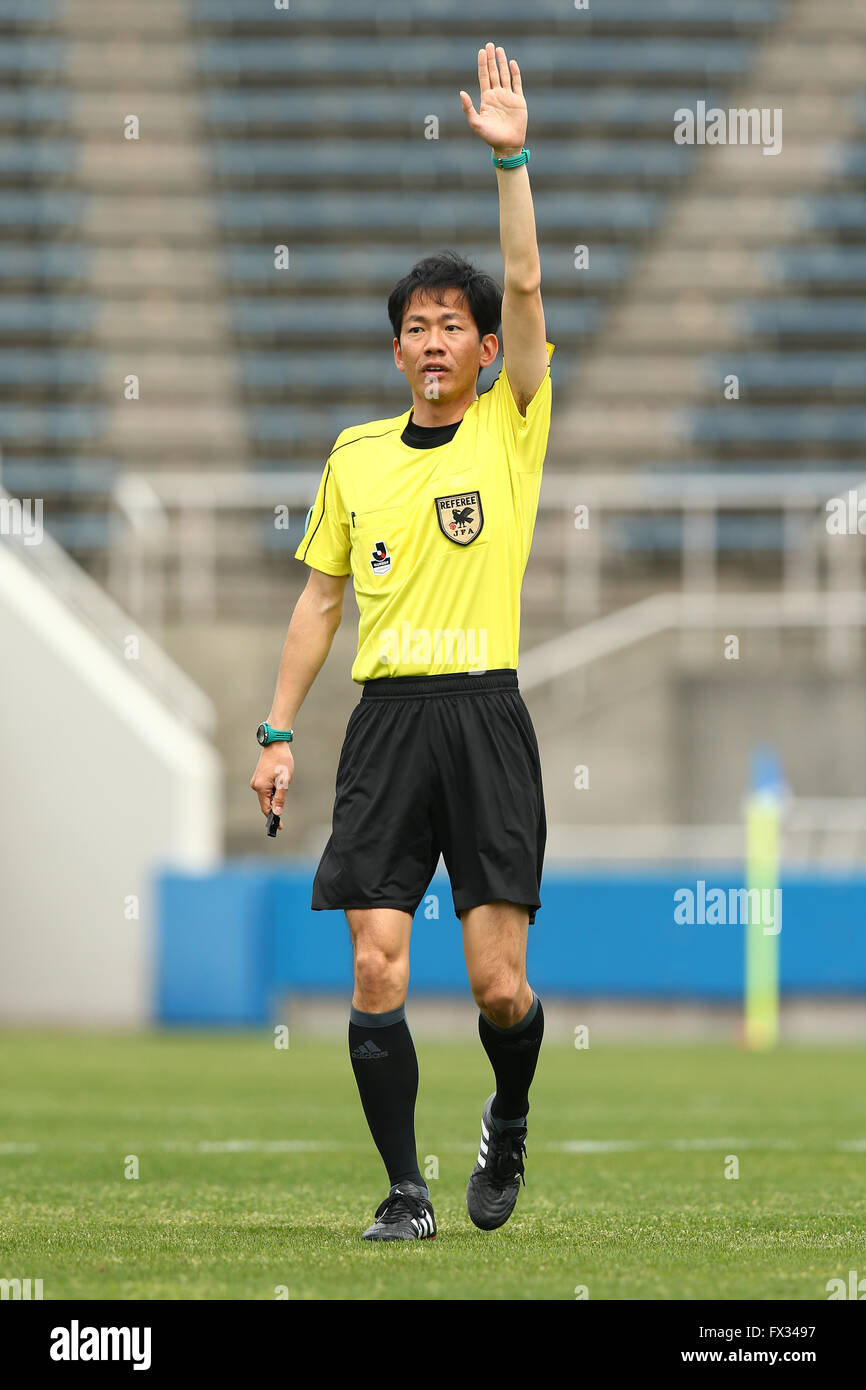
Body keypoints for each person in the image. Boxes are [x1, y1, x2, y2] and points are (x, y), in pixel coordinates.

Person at [251, 43, 553, 1241]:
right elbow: (319, 602)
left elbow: (526, 292)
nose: (436, 342)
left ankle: (508, 1117)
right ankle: (404, 1191)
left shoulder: (511, 431)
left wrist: (511, 160)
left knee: (498, 986)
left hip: (483, 715)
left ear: (483, 354)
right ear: (395, 352)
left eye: (453, 327)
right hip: (385, 724)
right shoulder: (353, 456)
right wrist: (276, 729)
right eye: (415, 327)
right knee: (377, 967)